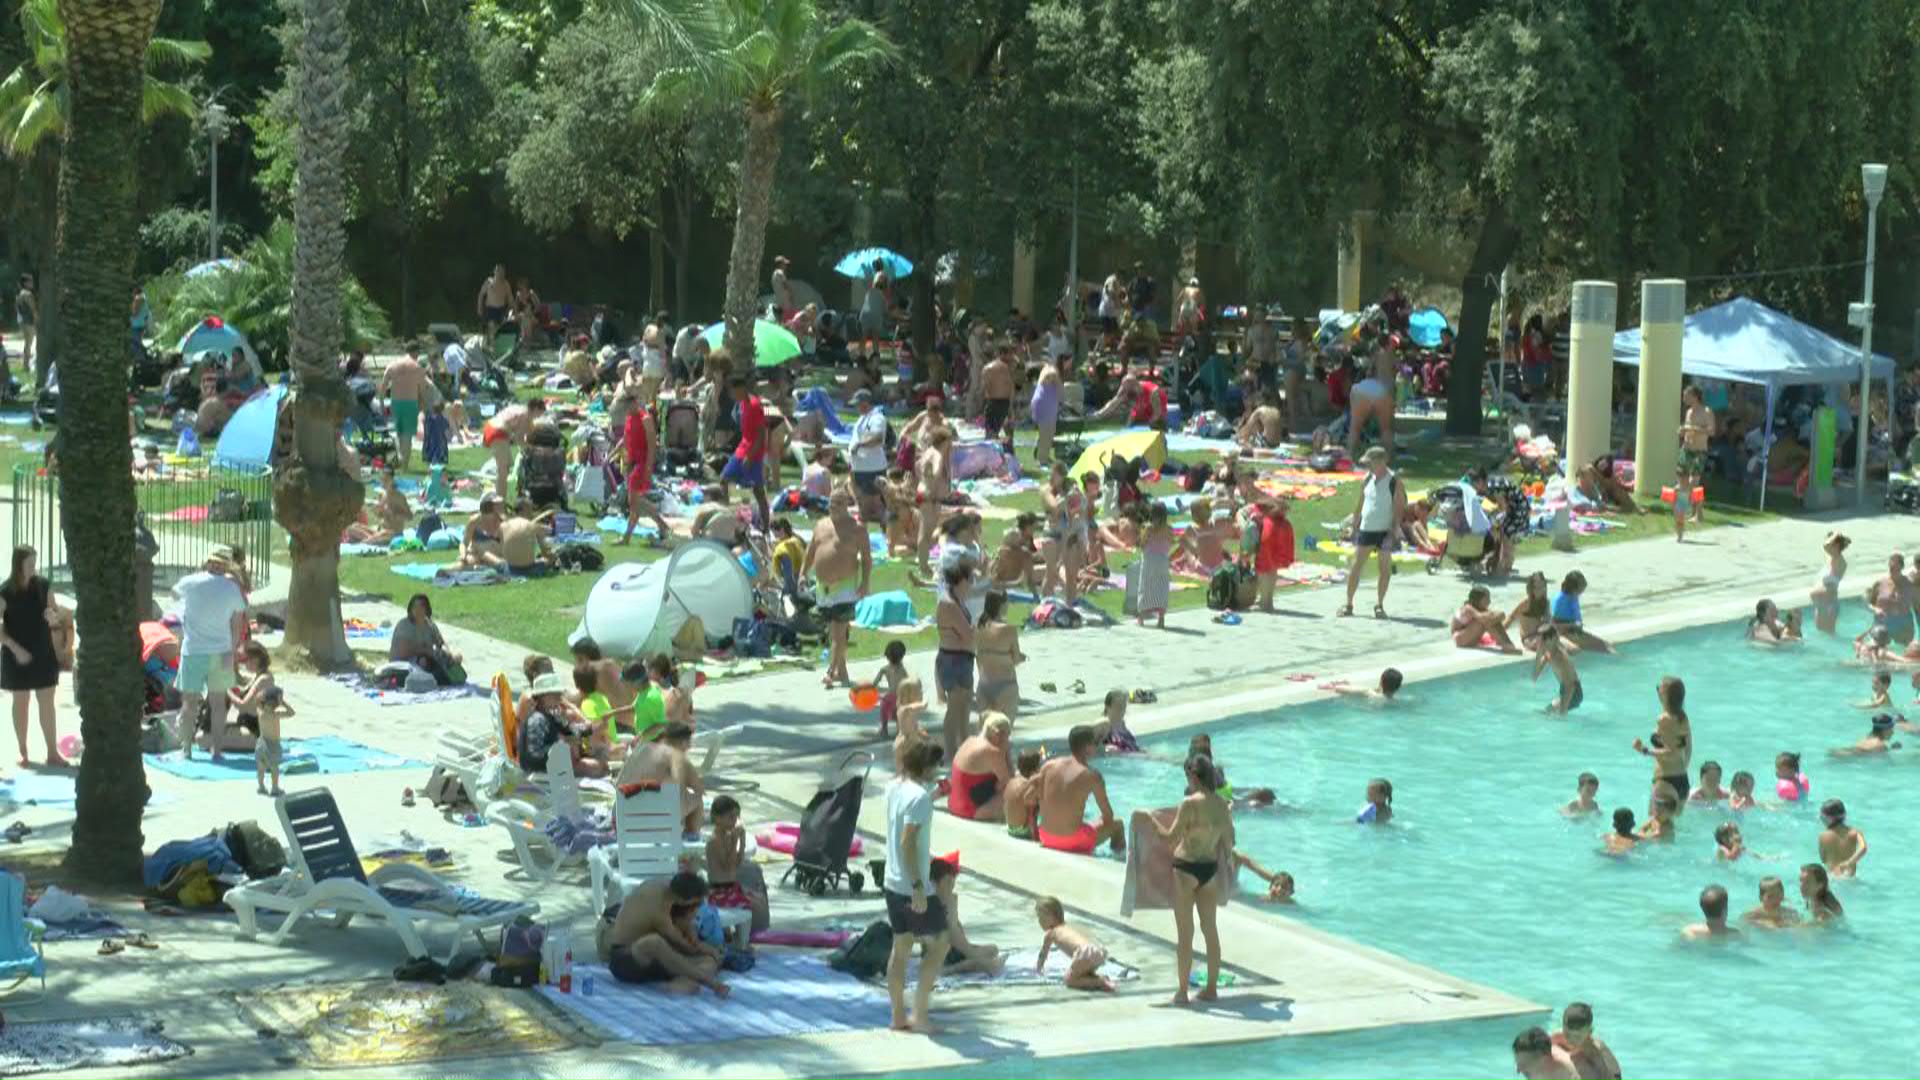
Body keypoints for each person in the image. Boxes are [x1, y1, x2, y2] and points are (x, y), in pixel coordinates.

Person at [1150, 754, 1232, 1005]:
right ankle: (1211, 990)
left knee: (1185, 934)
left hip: (1186, 868)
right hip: (1209, 869)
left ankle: (1182, 992)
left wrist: (1148, 819)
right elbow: (1229, 843)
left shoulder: (1189, 803)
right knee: (1211, 931)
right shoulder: (1223, 805)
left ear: (1194, 776)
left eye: (1188, 776)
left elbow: (1169, 837)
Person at [884, 738, 947, 1034]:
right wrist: (919, 886)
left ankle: (898, 1016)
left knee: (902, 947)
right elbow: (907, 841)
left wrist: (933, 795)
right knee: (940, 943)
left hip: (892, 881)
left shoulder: (894, 786)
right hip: (912, 884)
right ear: (925, 766)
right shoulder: (919, 798)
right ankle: (920, 1015)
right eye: (936, 764)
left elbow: (909, 811)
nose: (939, 769)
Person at [170, 548, 248, 761]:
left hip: (193, 651)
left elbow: (174, 595)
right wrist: (232, 650)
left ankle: (186, 748)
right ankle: (217, 751)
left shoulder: (190, 582)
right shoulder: (231, 588)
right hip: (221, 651)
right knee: (218, 704)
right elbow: (237, 621)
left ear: (208, 562)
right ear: (226, 566)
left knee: (189, 703)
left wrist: (187, 610)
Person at [603, 872, 730, 995]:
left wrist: (707, 950)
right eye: (696, 904)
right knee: (654, 942)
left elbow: (686, 941)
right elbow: (686, 947)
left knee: (709, 961)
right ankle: (706, 982)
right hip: (625, 958)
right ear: (684, 901)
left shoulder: (669, 888)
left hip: (653, 960)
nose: (696, 908)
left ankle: (685, 981)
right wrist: (709, 949)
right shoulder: (658, 908)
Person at [803, 481, 873, 689]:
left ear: (847, 504)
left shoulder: (857, 529)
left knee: (838, 632)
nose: (835, 506)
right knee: (833, 631)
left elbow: (867, 559)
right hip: (823, 586)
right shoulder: (821, 525)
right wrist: (801, 573)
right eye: (832, 503)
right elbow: (810, 551)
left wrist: (865, 583)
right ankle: (842, 672)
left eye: (840, 503)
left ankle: (830, 671)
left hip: (845, 586)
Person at [0, 546, 60, 767]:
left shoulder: (44, 586)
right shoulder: (5, 592)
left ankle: (52, 752)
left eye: (35, 563)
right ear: (18, 565)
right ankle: (22, 750)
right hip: (16, 654)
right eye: (30, 564)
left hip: (42, 651)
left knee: (47, 702)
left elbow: (57, 618)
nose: (34, 568)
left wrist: (52, 616)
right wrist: (15, 649)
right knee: (21, 702)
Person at [1035, 725, 1125, 854]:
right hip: (1071, 841)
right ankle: (1118, 862)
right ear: (1087, 747)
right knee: (1118, 825)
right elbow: (1108, 816)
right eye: (1095, 742)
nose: (1098, 745)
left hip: (1045, 836)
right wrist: (1099, 821)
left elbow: (1039, 800)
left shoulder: (1048, 766)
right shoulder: (1092, 775)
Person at [1336, 447, 1403, 618]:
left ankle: (1379, 605)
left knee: (1384, 569)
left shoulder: (1394, 481)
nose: (1368, 466)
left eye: (1370, 462)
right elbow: (1360, 504)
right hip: (1367, 528)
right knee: (1356, 566)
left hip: (1385, 530)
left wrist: (1394, 529)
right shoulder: (1367, 479)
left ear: (1381, 461)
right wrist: (1354, 525)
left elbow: (1398, 507)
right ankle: (1348, 603)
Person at [705, 796, 769, 931]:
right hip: (719, 892)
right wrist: (734, 841)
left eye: (736, 817)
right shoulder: (714, 841)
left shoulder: (727, 837)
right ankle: (738, 939)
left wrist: (742, 841)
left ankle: (741, 940)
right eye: (730, 817)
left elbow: (737, 864)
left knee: (757, 903)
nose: (734, 821)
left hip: (731, 888)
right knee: (751, 907)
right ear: (717, 818)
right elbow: (726, 865)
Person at [931, 856, 1003, 976]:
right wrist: (976, 957)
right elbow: (953, 935)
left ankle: (971, 962)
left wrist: (972, 951)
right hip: (941, 954)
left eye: (953, 882)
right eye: (948, 882)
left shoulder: (951, 899)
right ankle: (953, 969)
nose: (952, 886)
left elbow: (957, 933)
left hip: (957, 949)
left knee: (993, 949)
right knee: (975, 962)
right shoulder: (931, 904)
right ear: (934, 883)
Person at [933, 565, 975, 762]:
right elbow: (967, 635)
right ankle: (950, 752)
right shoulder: (949, 604)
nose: (973, 582)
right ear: (962, 580)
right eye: (971, 578)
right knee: (955, 707)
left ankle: (964, 748)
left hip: (961, 658)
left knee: (964, 706)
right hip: (954, 659)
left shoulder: (956, 600)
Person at [618, 393, 670, 545]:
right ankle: (627, 537)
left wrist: (648, 467)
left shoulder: (645, 419)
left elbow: (652, 445)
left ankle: (662, 524)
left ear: (634, 402)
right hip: (632, 462)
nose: (626, 410)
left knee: (633, 500)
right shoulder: (629, 418)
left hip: (642, 462)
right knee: (634, 503)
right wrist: (616, 452)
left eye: (628, 406)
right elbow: (626, 439)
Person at [1033, 895, 1114, 992]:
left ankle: (1100, 982)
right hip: (1097, 951)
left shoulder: (1051, 933)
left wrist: (1038, 969)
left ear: (1050, 917)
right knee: (1083, 974)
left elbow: (1043, 954)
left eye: (1040, 917)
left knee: (1069, 980)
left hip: (1084, 953)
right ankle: (1100, 979)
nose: (1039, 921)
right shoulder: (1066, 927)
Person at [948, 713, 1013, 821]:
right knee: (1017, 791)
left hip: (954, 804)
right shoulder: (993, 752)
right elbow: (1009, 782)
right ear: (998, 735)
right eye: (1008, 735)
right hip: (970, 810)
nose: (1008, 739)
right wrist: (1006, 752)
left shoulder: (970, 740)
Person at [480, 398, 547, 500]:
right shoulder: (525, 416)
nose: (539, 416)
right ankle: (500, 500)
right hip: (497, 432)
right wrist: (532, 449)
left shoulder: (521, 409)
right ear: (536, 409)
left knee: (505, 468)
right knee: (503, 470)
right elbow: (519, 439)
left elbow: (528, 431)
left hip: (492, 428)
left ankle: (501, 497)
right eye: (540, 413)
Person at [390, 593, 462, 685]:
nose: (417, 610)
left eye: (421, 607)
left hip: (427, 658)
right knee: (423, 661)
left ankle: (443, 677)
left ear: (427, 609)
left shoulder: (430, 625)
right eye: (414, 607)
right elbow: (402, 652)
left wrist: (448, 653)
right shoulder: (404, 625)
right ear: (410, 609)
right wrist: (426, 651)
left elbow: (441, 643)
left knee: (457, 657)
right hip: (403, 663)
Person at [974, 592, 1024, 719]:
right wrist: (1021, 657)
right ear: (1002, 605)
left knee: (986, 732)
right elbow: (1016, 659)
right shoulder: (1008, 630)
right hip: (1005, 685)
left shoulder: (978, 627)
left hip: (984, 684)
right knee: (1004, 733)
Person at [380, 345, 427, 470]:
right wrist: (424, 405)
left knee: (399, 432)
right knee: (407, 435)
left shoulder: (393, 365)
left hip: (395, 402)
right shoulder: (417, 368)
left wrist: (381, 402)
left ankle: (400, 459)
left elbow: (383, 385)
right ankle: (404, 464)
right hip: (410, 403)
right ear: (416, 353)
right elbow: (423, 390)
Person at [848, 389, 890, 522]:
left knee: (874, 504)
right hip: (860, 468)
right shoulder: (861, 418)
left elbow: (877, 438)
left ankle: (887, 527)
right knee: (862, 504)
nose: (856, 407)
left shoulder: (877, 418)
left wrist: (860, 445)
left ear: (865, 403)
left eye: (858, 404)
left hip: (873, 468)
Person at [1552, 1002, 1622, 1080]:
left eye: (1577, 1037)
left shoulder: (1597, 1050)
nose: (1571, 1039)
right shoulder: (1557, 1037)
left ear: (1590, 1031)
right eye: (1567, 1034)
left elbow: (1614, 1075)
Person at [1678, 383, 1714, 526]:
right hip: (1686, 450)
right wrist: (1683, 431)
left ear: (1695, 396)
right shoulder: (1688, 412)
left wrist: (1693, 429)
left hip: (1699, 451)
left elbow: (1711, 431)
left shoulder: (1706, 411)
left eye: (1686, 395)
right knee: (1683, 483)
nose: (1684, 398)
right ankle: (1696, 514)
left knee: (1694, 482)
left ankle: (1687, 511)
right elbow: (1688, 430)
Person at [1135, 501, 1175, 629]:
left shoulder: (1148, 528)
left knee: (1145, 586)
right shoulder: (1169, 528)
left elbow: (1141, 544)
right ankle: (1161, 619)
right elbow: (1171, 542)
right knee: (1162, 587)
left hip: (1149, 559)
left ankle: (1141, 617)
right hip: (1163, 559)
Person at [1551, 571, 1611, 653]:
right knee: (1602, 648)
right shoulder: (1560, 601)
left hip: (1574, 631)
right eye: (1581, 586)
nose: (1583, 590)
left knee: (1606, 645)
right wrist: (1573, 625)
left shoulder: (1573, 596)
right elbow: (1553, 625)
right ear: (1574, 587)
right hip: (1564, 633)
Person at [1452, 584, 1519, 652]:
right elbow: (1482, 618)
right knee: (1487, 620)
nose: (1489, 601)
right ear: (1478, 599)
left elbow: (1495, 616)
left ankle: (1507, 644)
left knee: (1492, 619)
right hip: (1460, 639)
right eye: (1486, 599)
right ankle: (1505, 645)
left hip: (1470, 638)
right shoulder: (1467, 608)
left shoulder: (1482, 609)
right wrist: (1499, 615)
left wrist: (1499, 615)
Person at [1530, 626, 1581, 714]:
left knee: (1553, 715)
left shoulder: (1560, 658)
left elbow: (1570, 684)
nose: (1540, 644)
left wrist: (1563, 710)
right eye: (1539, 642)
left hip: (1573, 692)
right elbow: (1534, 677)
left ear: (1552, 639)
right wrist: (1539, 653)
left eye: (1542, 641)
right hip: (1565, 689)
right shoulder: (1549, 654)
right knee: (1547, 712)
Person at [1810, 531, 1850, 634]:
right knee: (1821, 634)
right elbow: (1830, 545)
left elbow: (1826, 546)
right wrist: (1840, 539)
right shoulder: (1831, 559)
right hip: (1821, 604)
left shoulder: (1839, 559)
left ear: (1836, 545)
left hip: (1829, 604)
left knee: (1829, 634)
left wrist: (1836, 534)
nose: (1828, 543)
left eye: (1830, 542)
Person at [1818, 799, 1869, 877]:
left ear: (1828, 819)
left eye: (1822, 817)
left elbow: (1823, 859)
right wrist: (1849, 863)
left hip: (1832, 878)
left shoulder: (1822, 836)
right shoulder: (1855, 832)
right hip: (1850, 878)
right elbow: (1863, 848)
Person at [1003, 747, 1043, 840]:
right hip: (1023, 831)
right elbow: (1032, 812)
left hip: (1011, 829)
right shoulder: (1030, 785)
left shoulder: (1011, 781)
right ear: (1036, 767)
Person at [1512, 1025, 1581, 1080]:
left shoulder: (1567, 1073)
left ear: (1544, 1060)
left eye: (1524, 1064)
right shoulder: (1537, 1068)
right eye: (1518, 1063)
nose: (1518, 1070)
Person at [1506, 572, 1552, 649]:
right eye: (1537, 587)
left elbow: (1548, 621)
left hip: (1541, 636)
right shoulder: (1526, 603)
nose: (1541, 589)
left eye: (1543, 586)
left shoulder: (1546, 602)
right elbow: (1511, 617)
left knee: (1571, 648)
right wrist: (1502, 636)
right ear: (1531, 588)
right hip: (1528, 639)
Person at [979, 347, 1015, 447]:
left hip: (993, 402)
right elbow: (1011, 388)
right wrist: (1011, 408)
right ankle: (1009, 453)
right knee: (1008, 432)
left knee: (990, 435)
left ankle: (991, 457)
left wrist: (979, 404)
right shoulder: (1006, 367)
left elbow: (984, 388)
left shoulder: (987, 369)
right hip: (1005, 402)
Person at [1031, 352, 1061, 466]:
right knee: (1046, 433)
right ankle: (1042, 459)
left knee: (1048, 433)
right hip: (1045, 405)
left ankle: (1043, 456)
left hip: (1045, 404)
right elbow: (1053, 380)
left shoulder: (1047, 370)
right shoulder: (1051, 371)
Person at [477, 264, 513, 331]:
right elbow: (481, 295)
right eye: (498, 271)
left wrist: (512, 309)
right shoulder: (488, 282)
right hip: (490, 310)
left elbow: (510, 298)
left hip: (501, 310)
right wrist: (479, 308)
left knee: (506, 325)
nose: (500, 273)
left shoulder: (506, 284)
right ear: (495, 271)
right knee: (492, 326)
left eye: (502, 271)